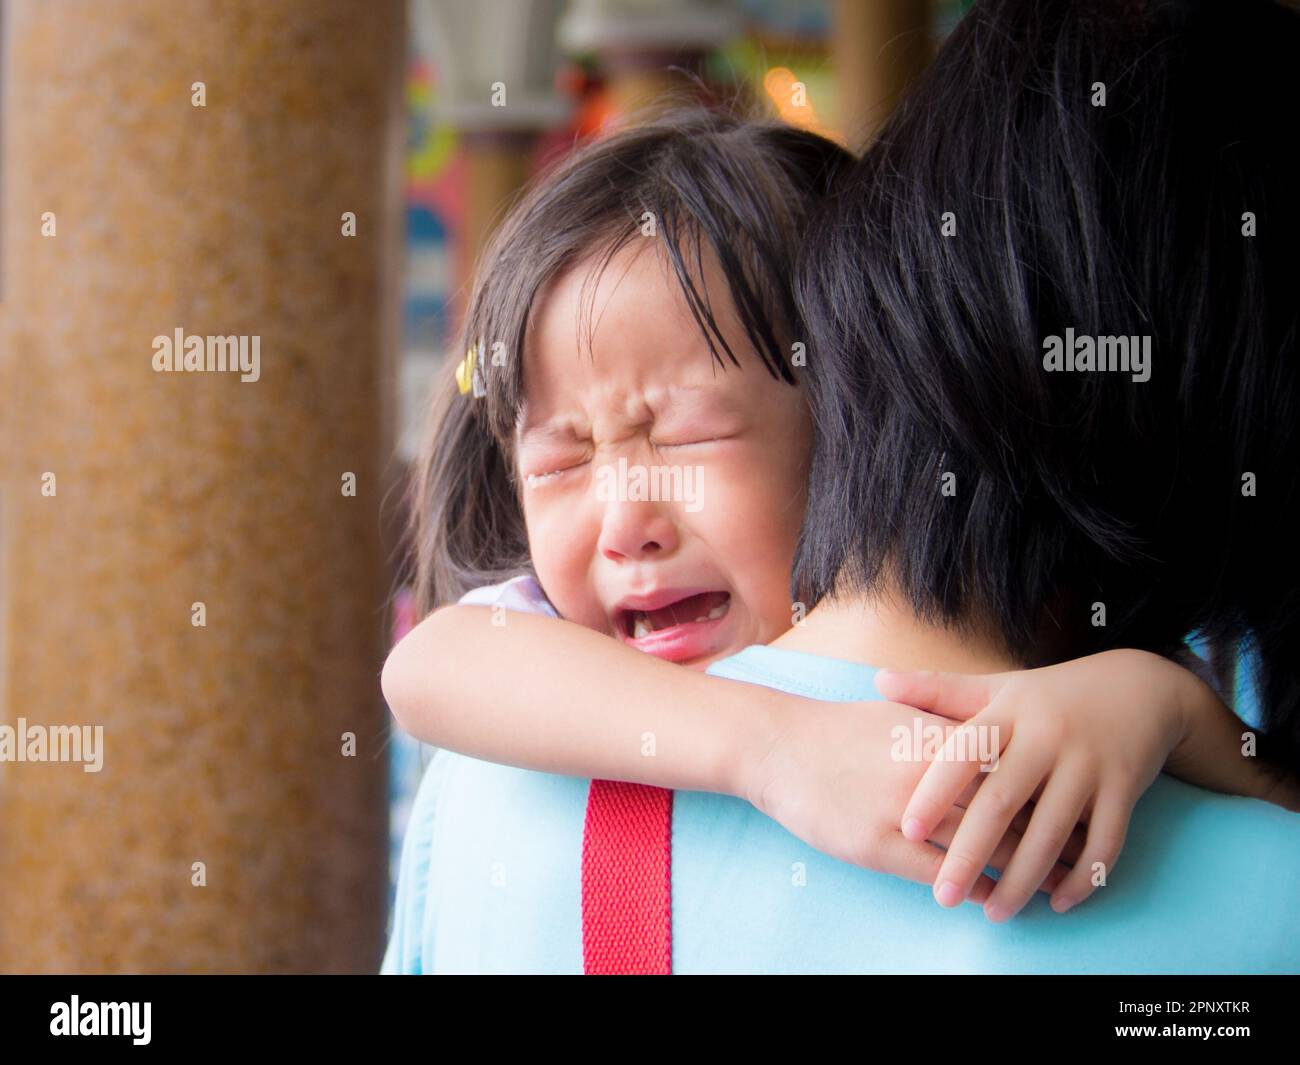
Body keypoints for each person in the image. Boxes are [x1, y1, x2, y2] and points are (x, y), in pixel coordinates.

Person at [383, 0, 1300, 973]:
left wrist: (1162, 702)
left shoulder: (489, 818)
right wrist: (773, 747)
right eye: (561, 462)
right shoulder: (552, 698)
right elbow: (430, 662)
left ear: (851, 416)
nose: (625, 522)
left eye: (688, 432)